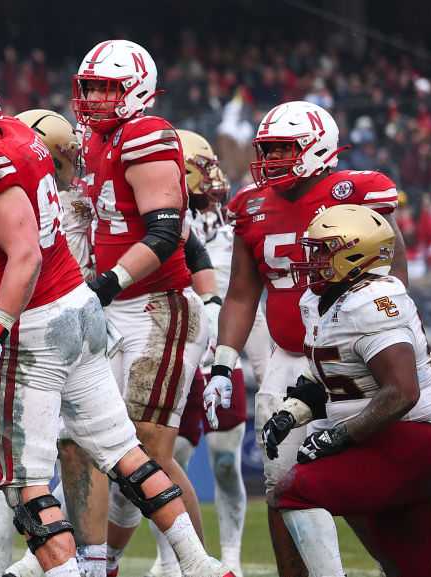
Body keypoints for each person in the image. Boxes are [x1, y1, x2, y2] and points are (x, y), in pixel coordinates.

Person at [0, 63, 232, 577]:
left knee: (24, 484)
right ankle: (200, 564)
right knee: (125, 454)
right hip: (78, 309)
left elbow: (24, 255)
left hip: (33, 326)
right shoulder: (14, 135)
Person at [207, 100, 406, 577]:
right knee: (282, 485)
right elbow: (240, 295)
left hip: (359, 356)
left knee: (377, 479)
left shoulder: (357, 190)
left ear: (318, 147)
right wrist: (223, 363)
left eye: (283, 148)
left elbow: (393, 274)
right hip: (290, 359)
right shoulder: (251, 205)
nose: (272, 158)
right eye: (267, 148)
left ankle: (403, 564)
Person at [67, 40, 210, 574]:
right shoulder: (93, 139)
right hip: (111, 307)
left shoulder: (146, 134)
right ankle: (98, 562)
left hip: (157, 307)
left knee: (150, 452)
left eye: (110, 87)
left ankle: (197, 565)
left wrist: (105, 284)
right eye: (93, 87)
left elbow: (167, 232)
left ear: (138, 90)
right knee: (97, 445)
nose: (99, 97)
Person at [262, 204, 431, 577]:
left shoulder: (373, 300)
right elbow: (332, 381)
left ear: (356, 253)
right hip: (392, 438)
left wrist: (337, 436)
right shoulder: (319, 302)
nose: (311, 259)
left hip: (417, 437)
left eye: (323, 250)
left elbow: (402, 391)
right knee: (417, 572)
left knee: (293, 490)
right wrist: (290, 414)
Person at [148, 129, 274, 577]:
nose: (212, 180)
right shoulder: (155, 215)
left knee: (224, 460)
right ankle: (169, 560)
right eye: (201, 170)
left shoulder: (232, 218)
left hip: (217, 353)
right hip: (173, 349)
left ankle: (232, 556)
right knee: (166, 461)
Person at [0, 109, 112, 577]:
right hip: (70, 324)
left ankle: (85, 561)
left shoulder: (71, 198)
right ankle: (90, 562)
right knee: (86, 456)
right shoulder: (76, 195)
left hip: (45, 329)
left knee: (32, 471)